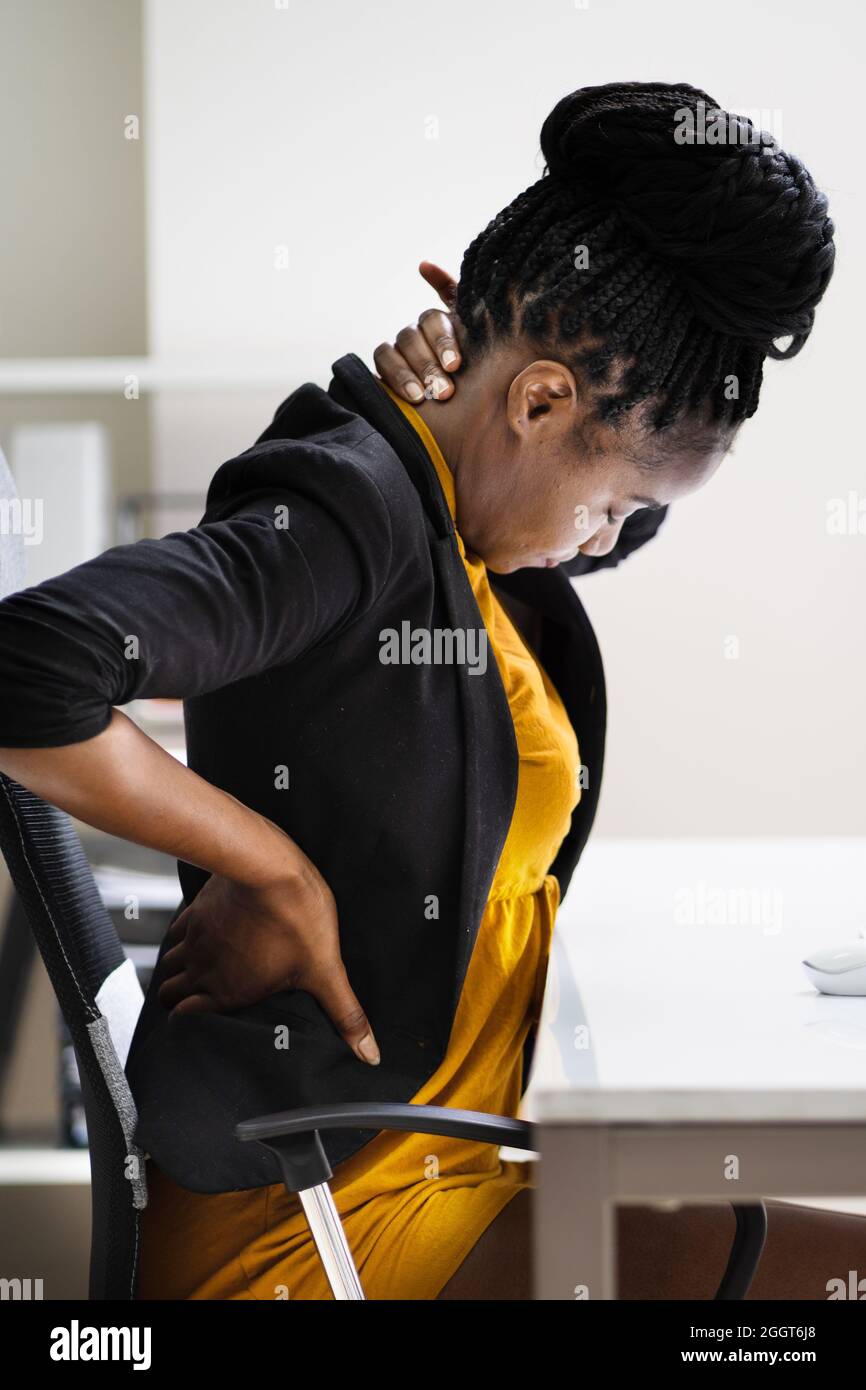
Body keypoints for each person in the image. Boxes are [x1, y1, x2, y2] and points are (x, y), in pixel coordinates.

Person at [0, 81, 858, 1300]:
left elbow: (566, 501)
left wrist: (505, 406)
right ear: (540, 399)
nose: (604, 542)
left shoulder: (451, 516)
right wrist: (271, 868)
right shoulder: (353, 507)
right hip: (322, 1228)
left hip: (444, 1172)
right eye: (613, 505)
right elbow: (30, 664)